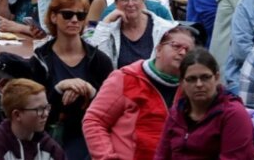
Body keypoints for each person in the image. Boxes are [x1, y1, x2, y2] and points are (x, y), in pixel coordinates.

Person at [81, 23, 195, 160]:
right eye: (176, 46)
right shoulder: (125, 78)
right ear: (158, 49)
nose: (182, 52)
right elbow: (94, 120)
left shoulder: (191, 89)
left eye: (188, 50)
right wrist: (106, 156)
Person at [34, 0, 114, 160]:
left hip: (88, 137)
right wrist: (58, 90)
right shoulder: (39, 60)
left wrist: (90, 92)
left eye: (81, 15)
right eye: (67, 14)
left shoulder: (100, 61)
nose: (75, 20)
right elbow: (31, 111)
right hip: (47, 136)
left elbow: (113, 109)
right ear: (54, 17)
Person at [154, 49, 254, 160]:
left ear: (216, 78)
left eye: (205, 77)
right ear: (182, 83)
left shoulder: (233, 114)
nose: (199, 84)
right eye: (191, 79)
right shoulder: (176, 112)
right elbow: (161, 155)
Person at [88, 0, 173, 68]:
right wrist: (105, 22)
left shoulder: (162, 28)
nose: (130, 4)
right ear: (116, 3)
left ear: (143, 0)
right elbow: (96, 60)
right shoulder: (110, 29)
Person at [0, 76, 68, 160]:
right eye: (39, 109)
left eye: (47, 107)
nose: (46, 114)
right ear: (17, 115)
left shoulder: (51, 149)